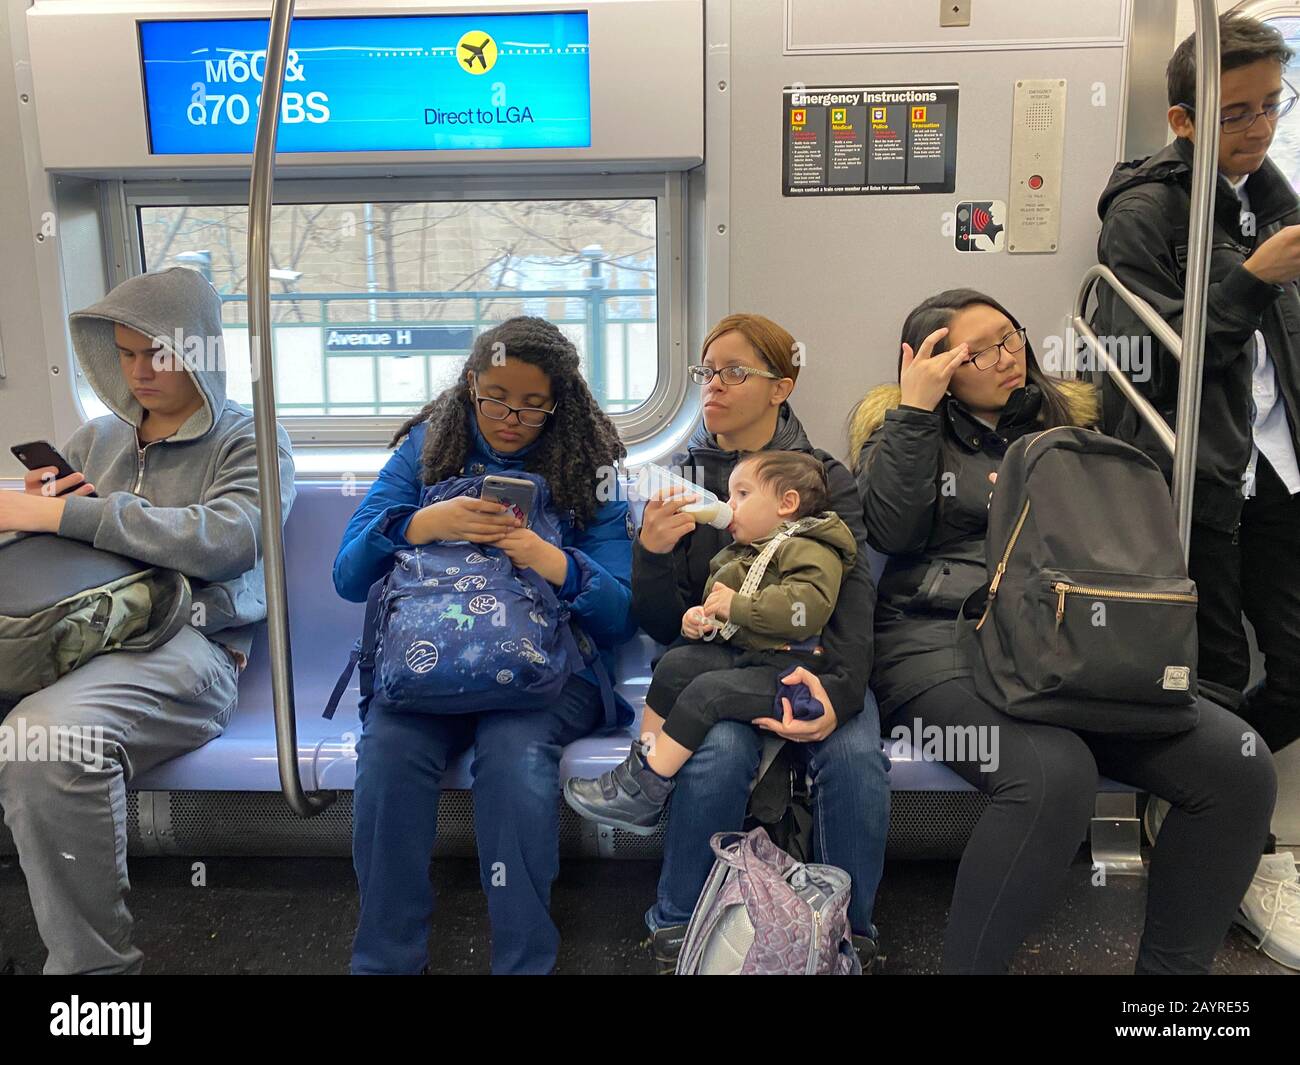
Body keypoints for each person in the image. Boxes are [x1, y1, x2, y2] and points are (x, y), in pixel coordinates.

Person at [850, 287, 1278, 974]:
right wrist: (914, 409)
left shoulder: (1077, 434)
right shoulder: (904, 432)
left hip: (1067, 647)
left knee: (1239, 766)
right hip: (940, 645)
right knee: (1053, 773)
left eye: (1010, 336)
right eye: (977, 349)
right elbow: (891, 528)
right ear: (937, 363)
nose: (1005, 356)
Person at [0, 266, 296, 974]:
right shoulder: (95, 440)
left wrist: (73, 513)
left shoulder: (250, 439)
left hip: (189, 644)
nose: (140, 371)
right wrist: (46, 517)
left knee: (46, 740)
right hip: (73, 636)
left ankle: (96, 976)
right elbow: (58, 552)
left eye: (158, 352)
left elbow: (232, 539)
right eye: (127, 353)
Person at [333, 316, 637, 976]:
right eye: (497, 397)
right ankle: (384, 961)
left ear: (561, 402)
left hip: (549, 671)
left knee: (515, 758)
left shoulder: (590, 464)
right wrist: (421, 522)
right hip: (427, 660)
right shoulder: (427, 449)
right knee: (387, 755)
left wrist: (550, 559)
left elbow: (619, 617)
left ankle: (524, 961)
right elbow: (348, 575)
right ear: (471, 384)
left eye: (535, 405)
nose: (512, 418)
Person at [1093, 12, 1300, 968]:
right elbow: (1151, 361)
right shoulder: (1147, 207)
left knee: (1292, 667)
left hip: (1278, 467)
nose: (1257, 129)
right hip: (1198, 472)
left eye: (1271, 106)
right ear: (1183, 118)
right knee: (1212, 678)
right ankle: (1227, 854)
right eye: (1236, 112)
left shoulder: (1270, 189)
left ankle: (1204, 823)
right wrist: (1252, 279)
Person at [631, 312, 889, 973]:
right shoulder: (683, 481)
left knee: (853, 753)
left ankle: (846, 935)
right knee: (717, 750)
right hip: (718, 665)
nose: (712, 385)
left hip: (816, 661)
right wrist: (653, 555)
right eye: (706, 371)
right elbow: (664, 623)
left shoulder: (823, 478)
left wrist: (838, 693)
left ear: (782, 386)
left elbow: (854, 603)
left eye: (734, 372)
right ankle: (680, 926)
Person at [564, 450, 856, 826]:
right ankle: (640, 767)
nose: (729, 506)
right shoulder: (743, 555)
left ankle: (648, 789)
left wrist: (735, 607)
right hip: (753, 660)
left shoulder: (811, 548)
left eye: (742, 495)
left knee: (708, 693)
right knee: (675, 665)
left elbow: (805, 609)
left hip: (793, 676)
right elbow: (725, 611)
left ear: (787, 503)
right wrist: (701, 620)